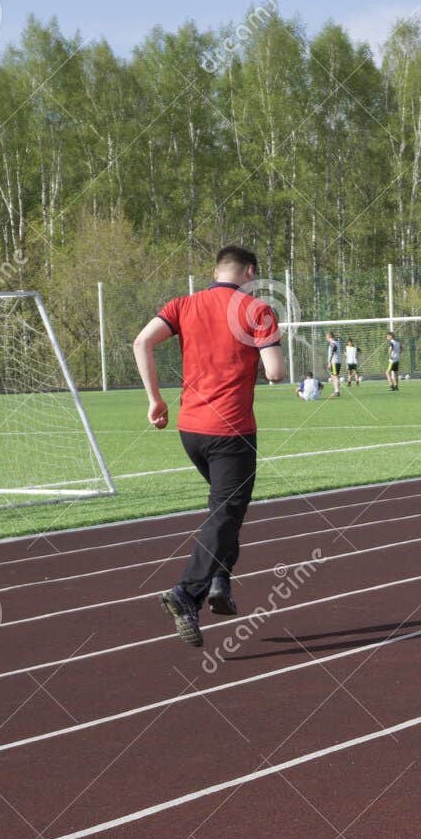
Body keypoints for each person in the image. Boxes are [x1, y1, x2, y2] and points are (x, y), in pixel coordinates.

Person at [132, 245, 286, 647]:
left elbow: (141, 343)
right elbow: (275, 372)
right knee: (226, 514)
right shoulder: (257, 310)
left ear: (219, 269)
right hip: (231, 431)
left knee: (223, 511)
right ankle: (188, 591)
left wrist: (155, 399)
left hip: (191, 430)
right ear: (249, 271)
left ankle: (220, 581)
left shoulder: (183, 304)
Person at [325, 332, 343, 396]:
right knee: (334, 376)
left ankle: (337, 391)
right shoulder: (337, 342)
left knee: (335, 377)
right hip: (338, 362)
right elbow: (338, 340)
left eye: (326, 337)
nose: (326, 338)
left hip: (334, 362)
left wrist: (329, 362)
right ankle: (337, 388)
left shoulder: (333, 343)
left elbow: (333, 350)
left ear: (329, 337)